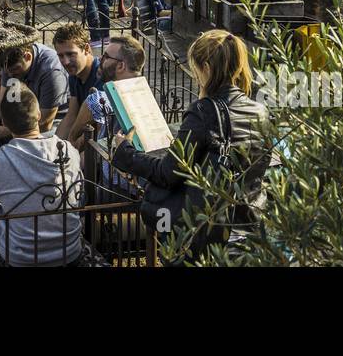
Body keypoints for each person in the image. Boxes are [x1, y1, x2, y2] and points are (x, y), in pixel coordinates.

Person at [112, 30, 272, 262]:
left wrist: (125, 152)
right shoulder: (261, 111)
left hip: (208, 234)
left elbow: (169, 173)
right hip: (249, 227)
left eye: (195, 69)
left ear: (206, 68)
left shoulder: (204, 110)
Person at [0, 83, 83, 267]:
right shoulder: (69, 150)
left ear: (4, 123)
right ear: (38, 116)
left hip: (21, 259)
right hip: (70, 254)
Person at [0, 43, 69, 145]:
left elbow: (45, 123)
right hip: (25, 116)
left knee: (4, 138)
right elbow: (4, 102)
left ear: (28, 57)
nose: (10, 75)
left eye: (15, 70)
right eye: (7, 72)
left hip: (55, 120)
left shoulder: (51, 72)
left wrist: (4, 132)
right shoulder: (9, 64)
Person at [53, 24, 102, 143]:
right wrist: (53, 146)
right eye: (61, 56)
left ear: (86, 49)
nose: (66, 62)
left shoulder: (101, 75)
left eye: (71, 54)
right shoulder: (74, 74)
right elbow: (71, 116)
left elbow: (99, 127)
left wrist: (70, 145)